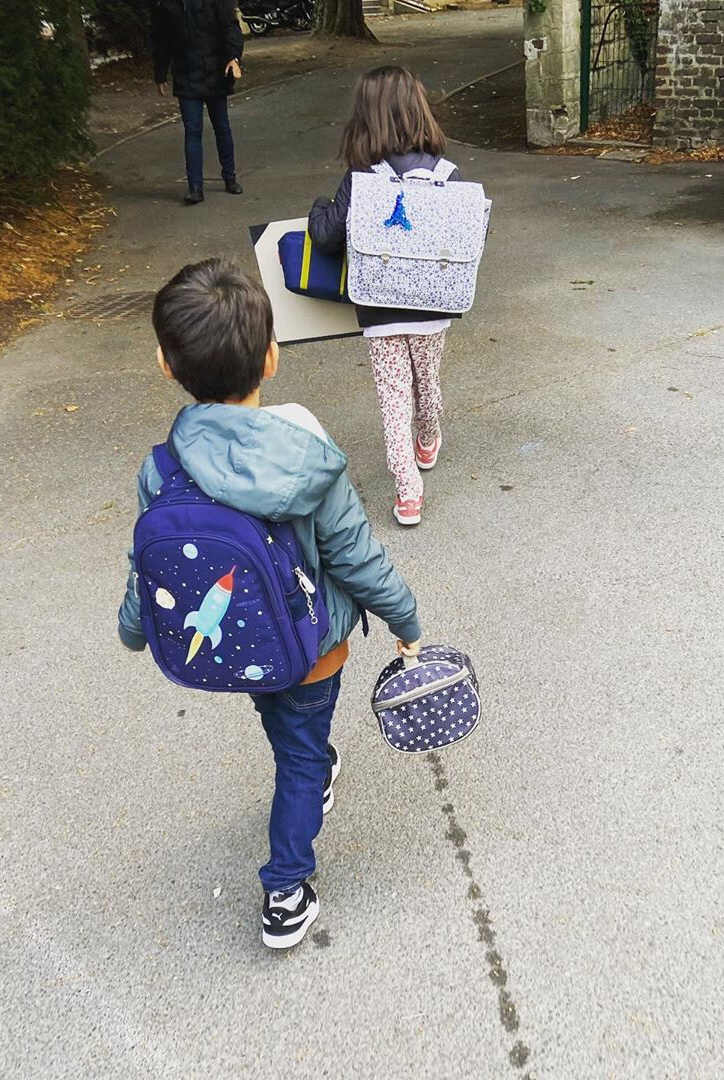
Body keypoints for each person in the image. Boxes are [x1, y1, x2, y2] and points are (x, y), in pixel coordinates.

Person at [117, 257, 423, 949]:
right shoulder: (307, 454)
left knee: (283, 722)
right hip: (313, 649)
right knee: (302, 752)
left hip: (240, 650)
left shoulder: (161, 467)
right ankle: (286, 890)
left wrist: (134, 629)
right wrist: (406, 623)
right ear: (272, 357)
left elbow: (147, 567)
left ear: (166, 364)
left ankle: (304, 761)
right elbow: (354, 555)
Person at [308, 66, 465, 527]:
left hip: (379, 309)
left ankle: (408, 493)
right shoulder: (447, 176)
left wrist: (320, 206)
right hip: (433, 306)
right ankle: (429, 432)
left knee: (392, 397)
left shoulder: (361, 180)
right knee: (427, 381)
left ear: (366, 118)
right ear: (419, 110)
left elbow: (327, 236)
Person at [151, 0, 245, 204]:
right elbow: (162, 40)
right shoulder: (167, 5)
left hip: (215, 73)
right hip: (186, 75)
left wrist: (233, 58)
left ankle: (230, 178)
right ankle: (195, 188)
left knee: (222, 127)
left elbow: (230, 27)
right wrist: (160, 73)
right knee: (192, 131)